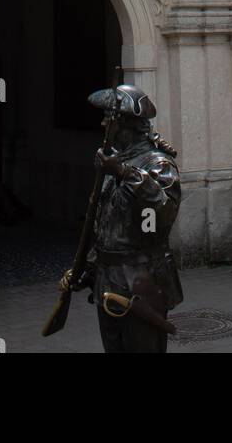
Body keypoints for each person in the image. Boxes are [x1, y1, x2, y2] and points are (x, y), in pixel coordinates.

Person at [60, 85, 182, 353]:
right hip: (109, 279)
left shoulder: (157, 164)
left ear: (126, 124)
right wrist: (87, 269)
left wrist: (126, 174)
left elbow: (163, 213)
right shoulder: (113, 161)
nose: (103, 123)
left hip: (142, 280)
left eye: (109, 118)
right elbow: (105, 224)